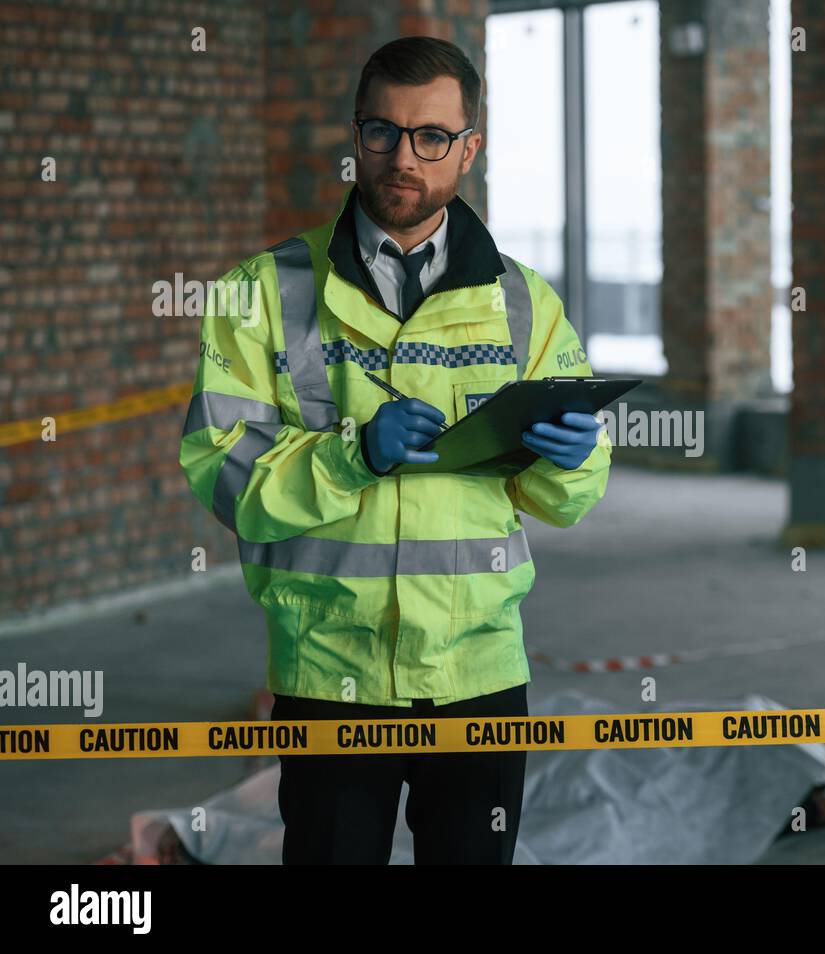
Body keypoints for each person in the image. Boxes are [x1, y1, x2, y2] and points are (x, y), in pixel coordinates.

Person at [177, 36, 613, 864]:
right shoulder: (260, 292)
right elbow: (223, 472)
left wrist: (572, 457)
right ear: (355, 135)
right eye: (383, 132)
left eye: (431, 137)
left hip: (477, 670)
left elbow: (568, 499)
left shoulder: (523, 303)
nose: (403, 158)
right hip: (328, 669)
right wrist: (353, 456)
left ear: (468, 147)